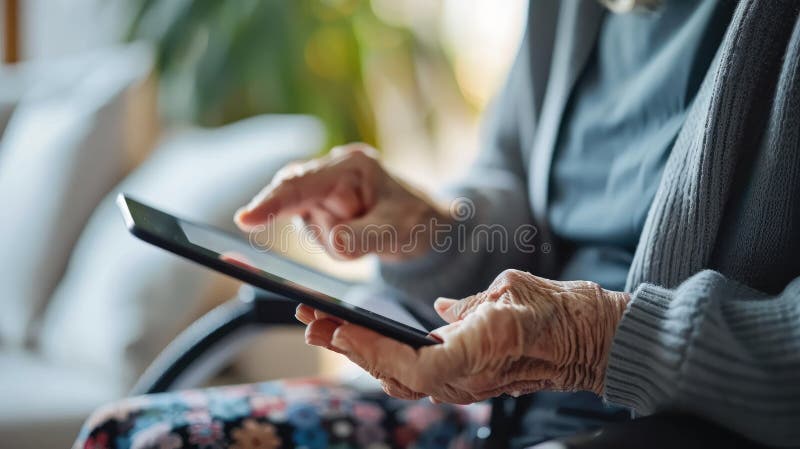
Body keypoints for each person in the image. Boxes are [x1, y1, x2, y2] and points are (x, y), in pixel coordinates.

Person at [75, 0, 800, 448]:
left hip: (666, 429)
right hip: (501, 413)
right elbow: (515, 189)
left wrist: (598, 339)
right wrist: (427, 230)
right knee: (139, 435)